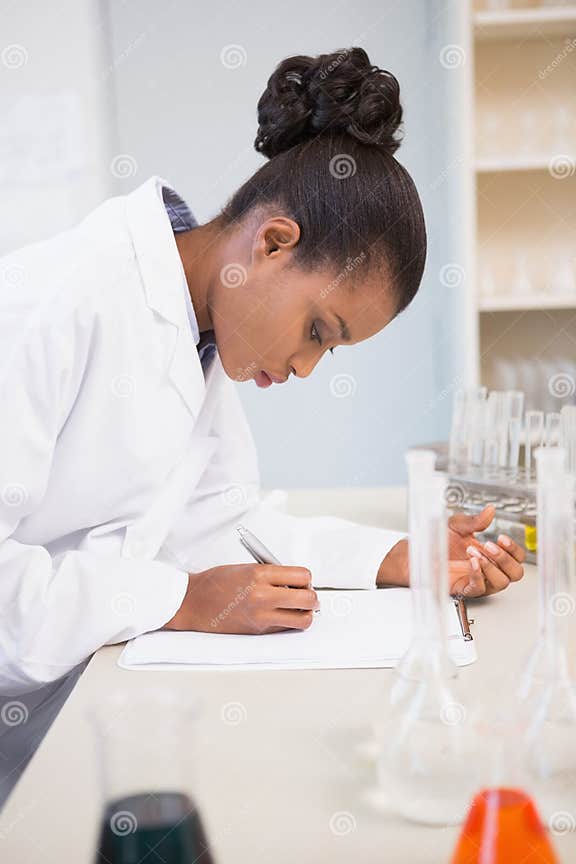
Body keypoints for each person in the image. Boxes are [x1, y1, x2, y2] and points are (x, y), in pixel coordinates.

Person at [0, 47, 524, 805]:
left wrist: (396, 557)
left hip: (63, 719)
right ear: (273, 243)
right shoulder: (50, 307)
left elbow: (223, 526)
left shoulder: (199, 328)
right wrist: (179, 601)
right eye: (317, 330)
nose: (307, 367)